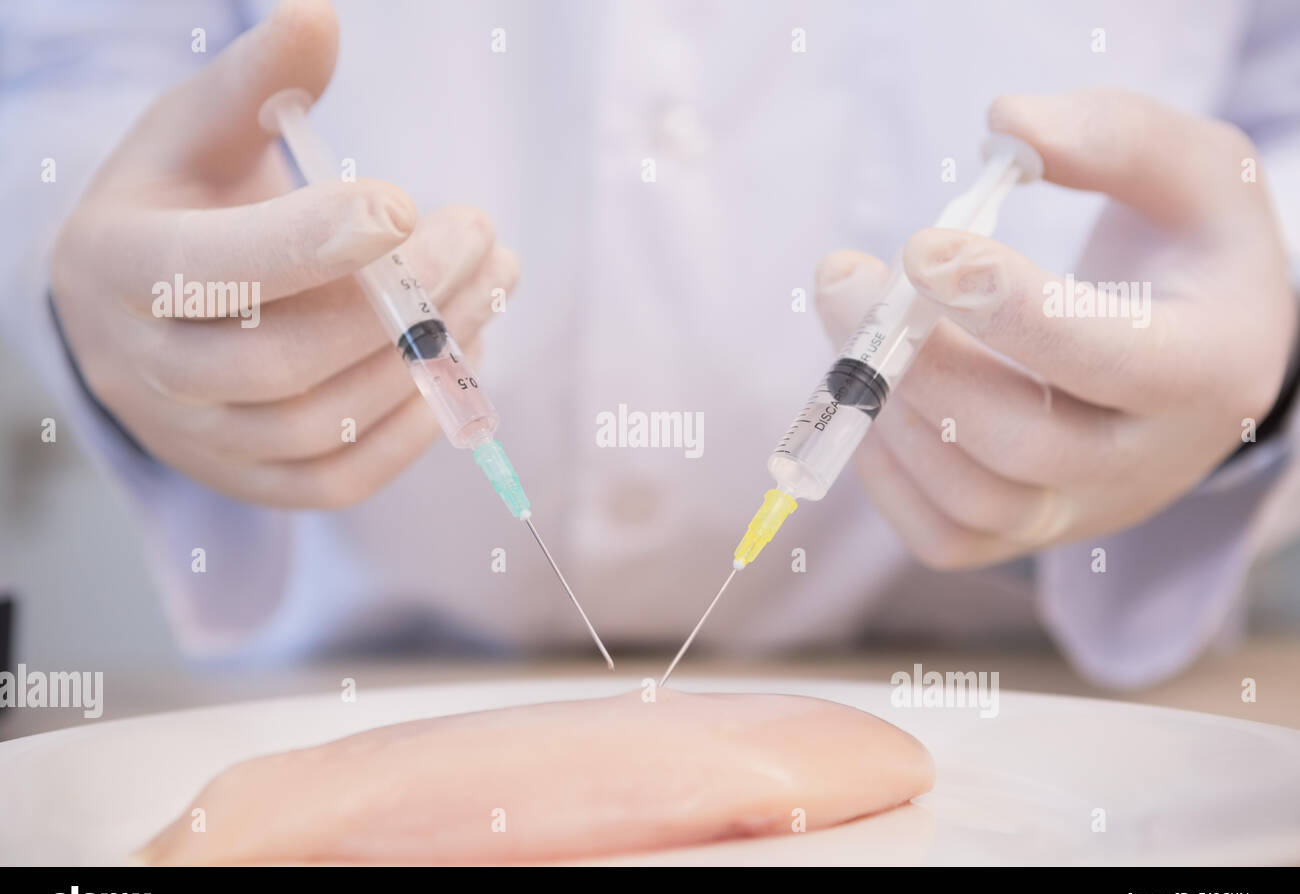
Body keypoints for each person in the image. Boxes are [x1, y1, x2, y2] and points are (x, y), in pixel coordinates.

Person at [5, 0, 1298, 685]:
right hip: (366, 693)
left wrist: (1266, 336)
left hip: (1019, 712)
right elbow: (62, 66)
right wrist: (118, 280)